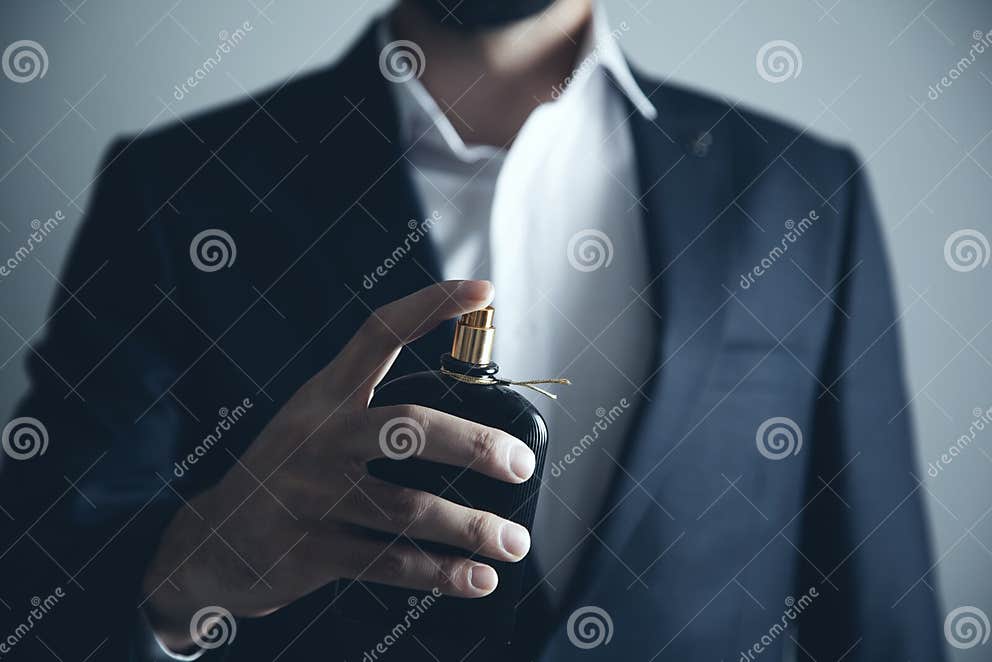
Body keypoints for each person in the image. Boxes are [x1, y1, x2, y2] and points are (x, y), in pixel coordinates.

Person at [0, 0, 944, 660]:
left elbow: (879, 603)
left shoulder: (801, 190)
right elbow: (36, 587)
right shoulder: (177, 188)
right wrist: (192, 569)